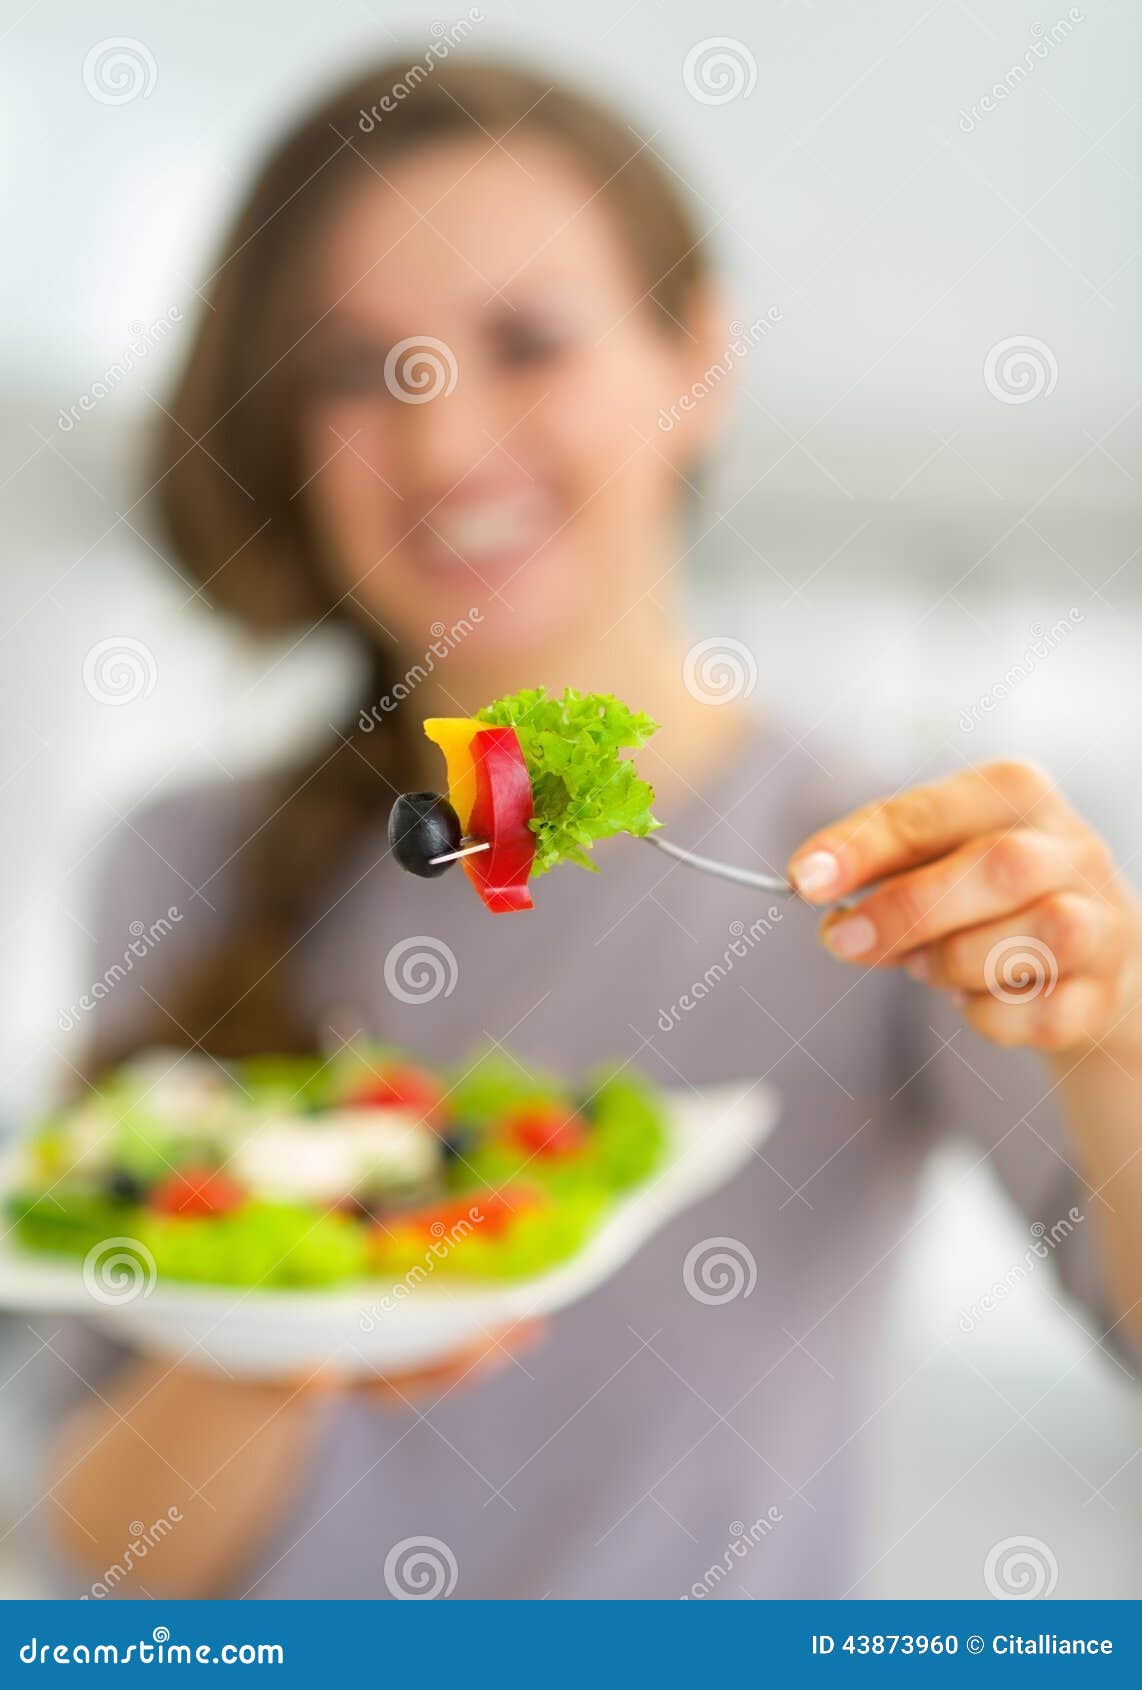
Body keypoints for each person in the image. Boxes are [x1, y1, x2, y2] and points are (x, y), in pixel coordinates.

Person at [40, 58, 1142, 1600]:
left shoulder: (896, 864)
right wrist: (297, 1313)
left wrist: (1113, 1040)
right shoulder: (186, 860)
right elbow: (96, 1538)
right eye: (360, 369)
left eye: (527, 341)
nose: (441, 441)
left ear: (698, 361)